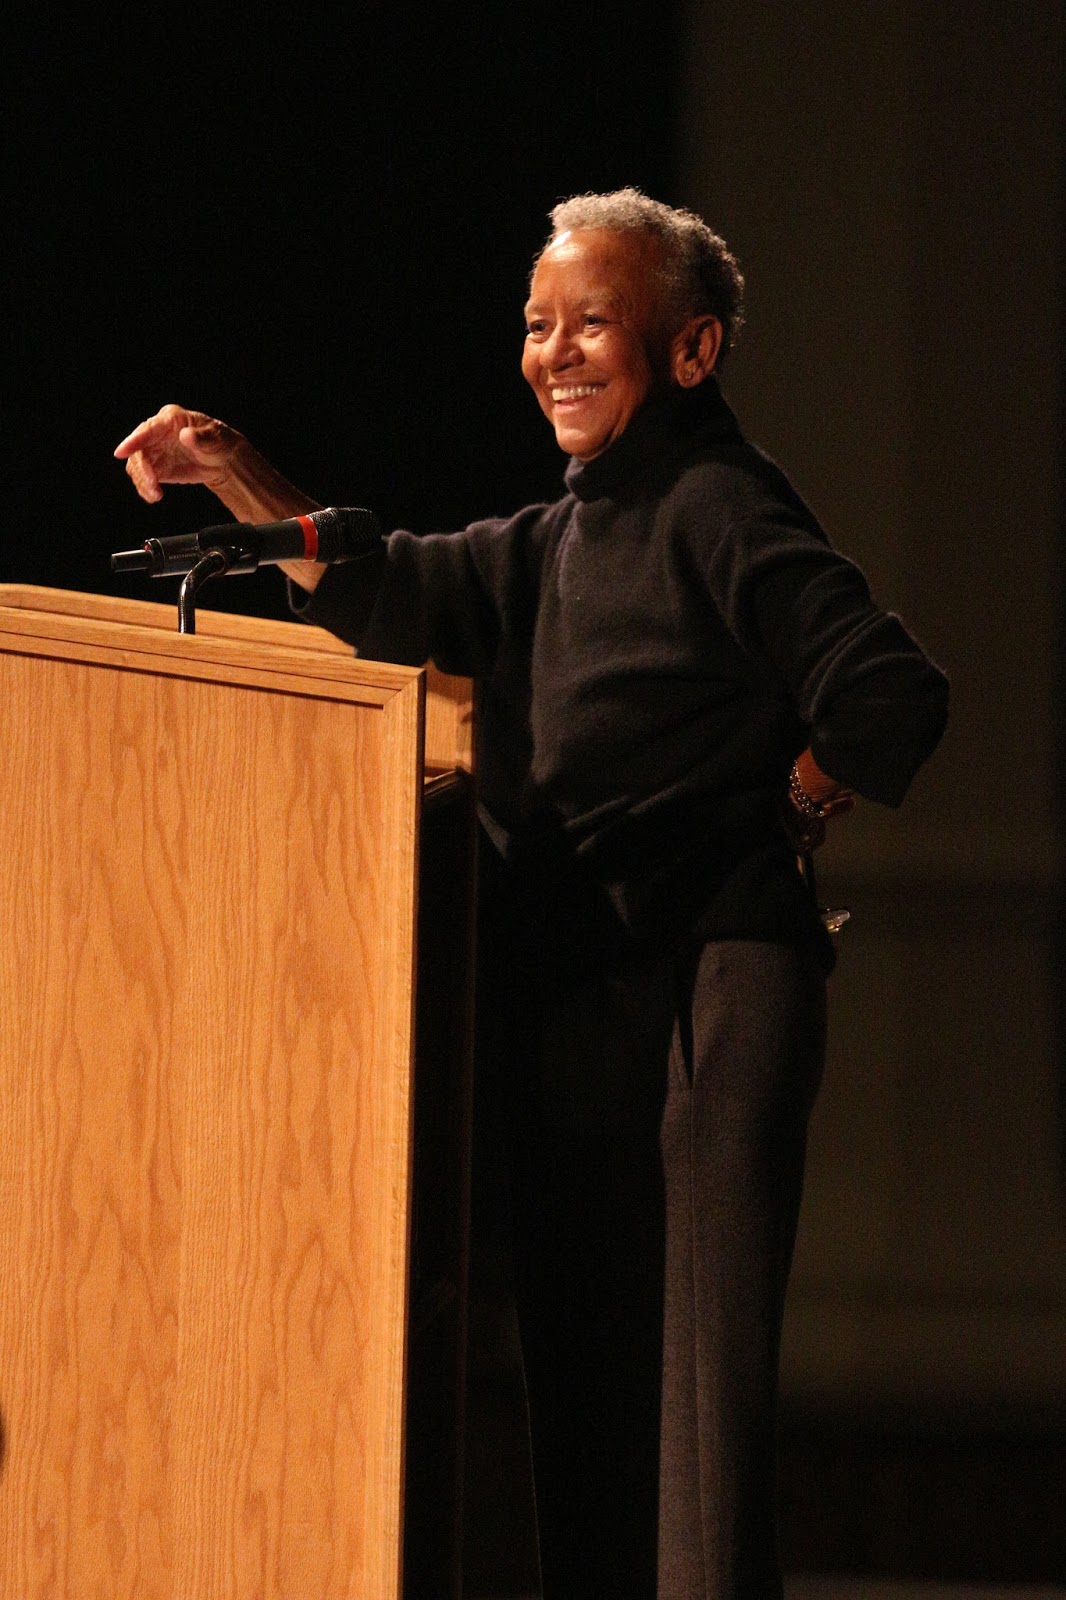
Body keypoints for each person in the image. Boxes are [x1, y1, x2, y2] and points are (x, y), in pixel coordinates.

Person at [115, 188, 948, 1599]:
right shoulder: (561, 537)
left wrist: (784, 817)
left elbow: (887, 689)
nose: (554, 352)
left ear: (688, 353)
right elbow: (384, 587)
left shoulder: (717, 507)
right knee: (581, 1363)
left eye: (592, 324)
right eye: (535, 325)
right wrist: (233, 472)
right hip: (576, 985)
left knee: (692, 1390)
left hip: (707, 988)